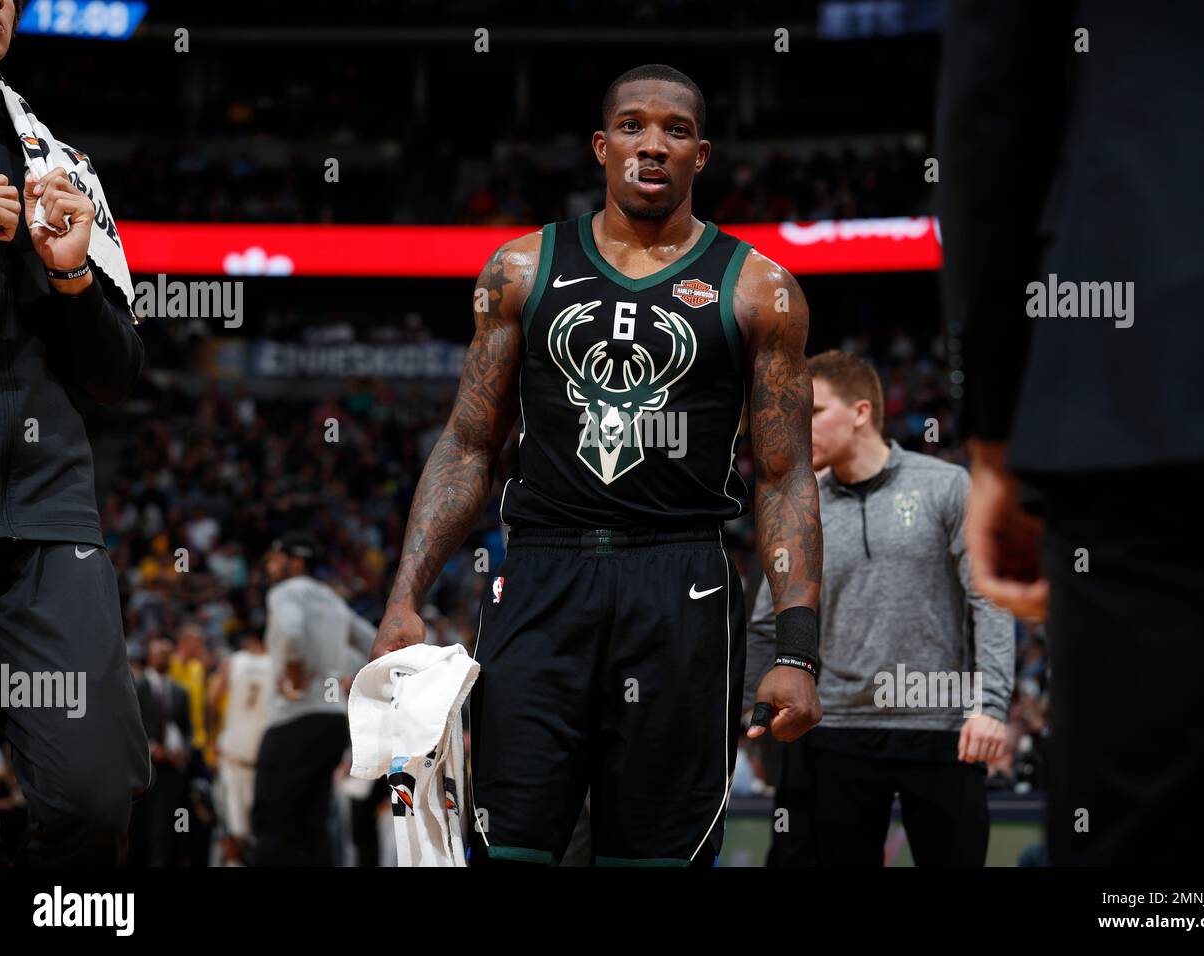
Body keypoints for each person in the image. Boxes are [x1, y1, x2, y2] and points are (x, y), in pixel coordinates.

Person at [371, 63, 823, 866]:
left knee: (655, 855)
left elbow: (786, 475)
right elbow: (470, 441)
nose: (653, 145)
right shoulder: (518, 269)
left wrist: (794, 652)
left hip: (683, 579)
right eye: (633, 126)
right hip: (545, 573)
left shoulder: (761, 288)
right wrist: (405, 595)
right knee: (508, 844)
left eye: (676, 131)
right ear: (600, 145)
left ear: (702, 154)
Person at [938, 0, 1204, 864]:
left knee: (1149, 873)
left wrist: (994, 433)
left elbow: (994, 109)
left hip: (1153, 364)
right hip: (1153, 383)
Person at [0, 0, 150, 865]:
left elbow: (116, 377)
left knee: (92, 801)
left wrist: (75, 277)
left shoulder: (63, 166)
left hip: (46, 525)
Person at [746, 351, 1014, 865]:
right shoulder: (804, 504)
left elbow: (989, 599)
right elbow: (766, 622)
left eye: (815, 412)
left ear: (861, 412)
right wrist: (757, 722)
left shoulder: (945, 485)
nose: (800, 427)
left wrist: (992, 706)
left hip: (943, 727)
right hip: (837, 732)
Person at [250, 531, 377, 866]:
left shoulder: (285, 592)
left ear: (297, 561)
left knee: (272, 821)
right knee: (313, 825)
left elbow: (292, 633)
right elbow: (374, 645)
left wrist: (294, 671)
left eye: (278, 559)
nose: (271, 566)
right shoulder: (334, 601)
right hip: (333, 721)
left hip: (295, 716)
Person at [209, 631, 273, 866]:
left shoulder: (232, 662)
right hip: (260, 760)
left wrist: (210, 739)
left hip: (233, 754)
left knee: (233, 831)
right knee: (254, 832)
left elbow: (213, 702)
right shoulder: (278, 664)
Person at [132, 638, 192, 867]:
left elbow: (187, 732)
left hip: (171, 770)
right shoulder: (136, 687)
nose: (163, 658)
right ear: (149, 655)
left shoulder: (180, 692)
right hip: (142, 770)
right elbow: (129, 726)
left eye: (167, 653)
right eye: (159, 653)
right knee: (139, 829)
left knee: (168, 828)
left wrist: (183, 752)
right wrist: (150, 748)